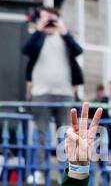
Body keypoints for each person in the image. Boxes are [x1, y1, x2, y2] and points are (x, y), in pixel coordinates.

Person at [21, 7, 83, 137]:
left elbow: (78, 50)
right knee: (40, 134)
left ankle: (65, 158)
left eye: (51, 19)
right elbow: (25, 50)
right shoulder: (37, 38)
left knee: (66, 135)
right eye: (45, 18)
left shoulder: (65, 39)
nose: (48, 22)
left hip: (65, 93)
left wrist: (63, 32)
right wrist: (39, 29)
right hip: (41, 94)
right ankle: (40, 158)